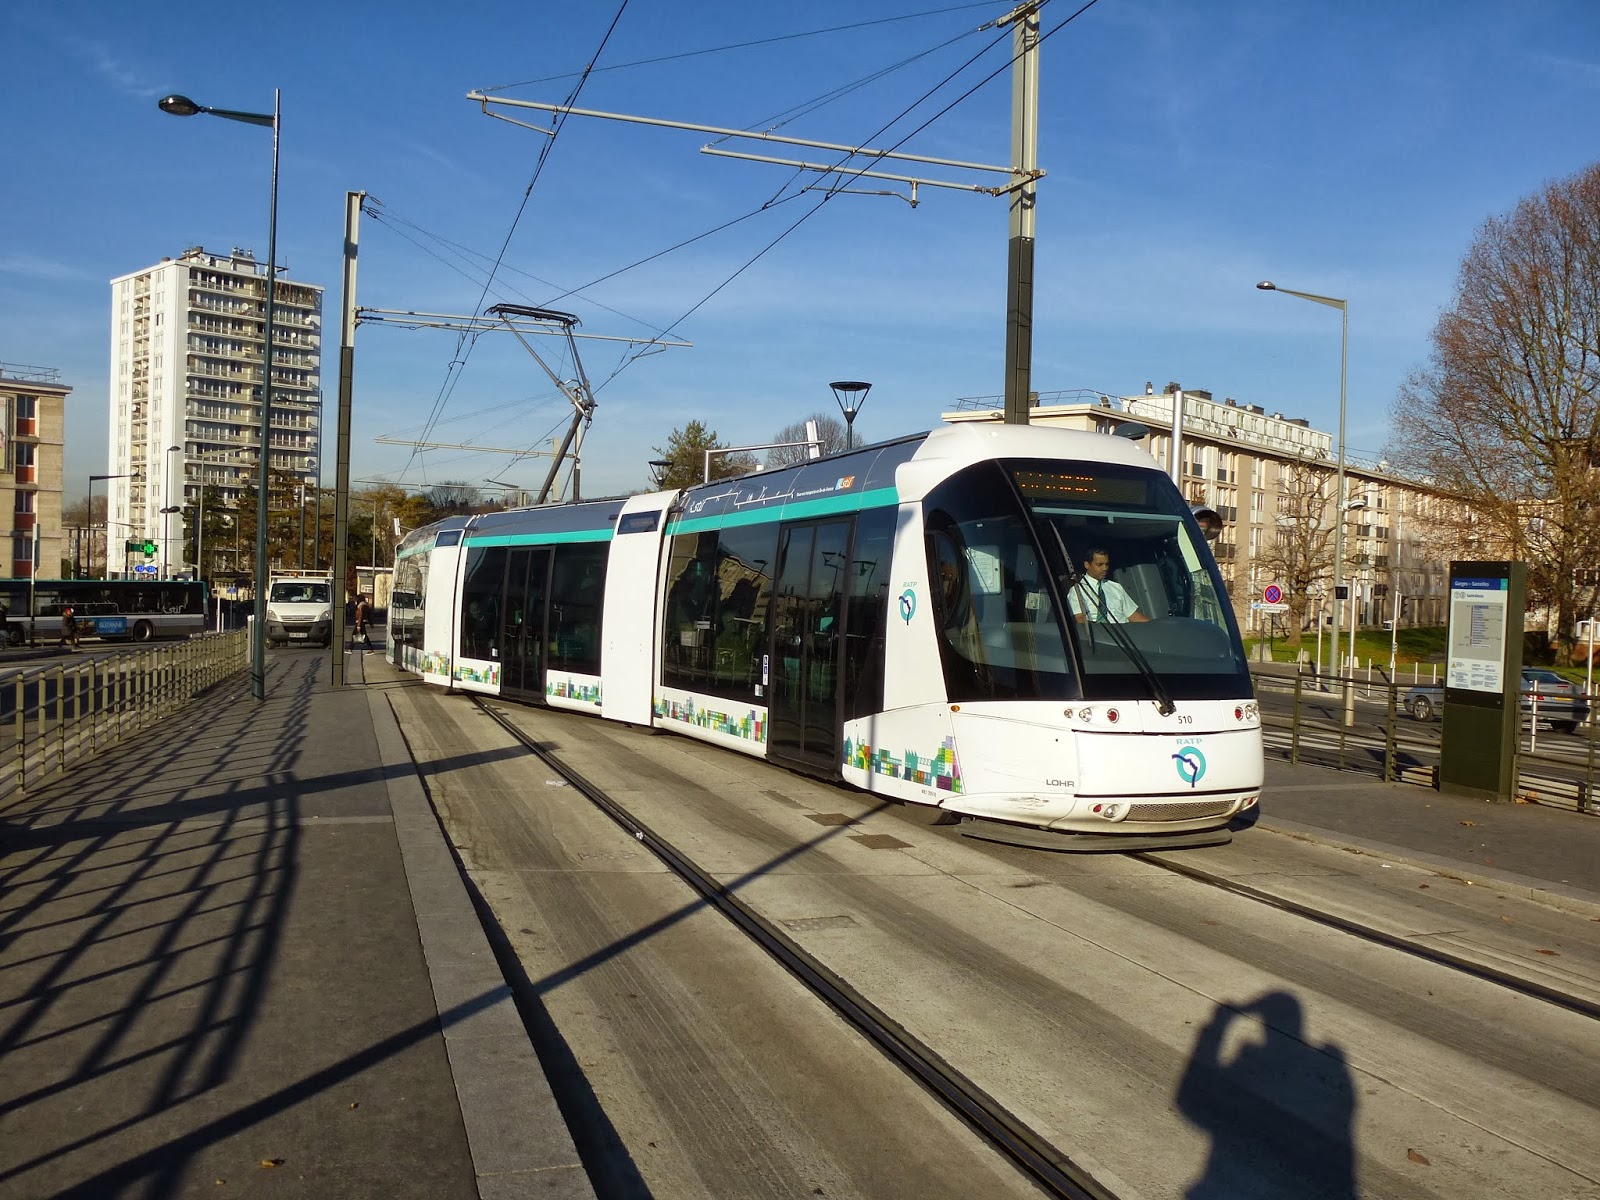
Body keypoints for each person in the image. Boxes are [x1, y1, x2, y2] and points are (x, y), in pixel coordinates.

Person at [1067, 547, 1150, 624]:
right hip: (1101, 637)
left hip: (1126, 635)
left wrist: (1155, 626)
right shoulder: (1077, 590)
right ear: (1087, 565)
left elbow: (1133, 615)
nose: (1105, 568)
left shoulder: (1116, 587)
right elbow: (1080, 620)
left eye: (1106, 564)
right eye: (1100, 565)